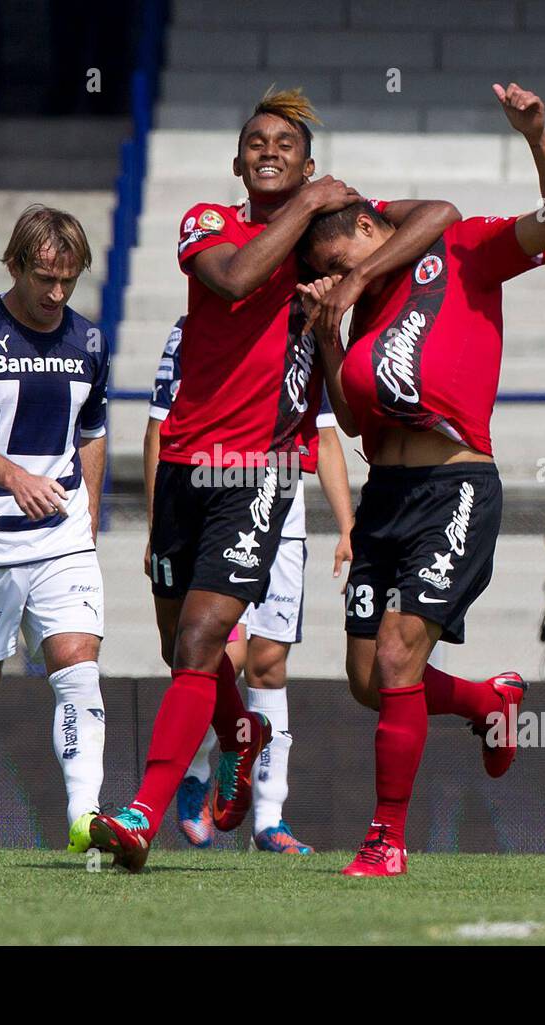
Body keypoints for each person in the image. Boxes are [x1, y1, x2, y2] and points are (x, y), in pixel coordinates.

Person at [87, 87, 458, 873]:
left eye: (286, 145)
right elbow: (230, 279)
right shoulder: (208, 223)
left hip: (258, 467)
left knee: (199, 639)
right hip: (188, 459)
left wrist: (355, 274)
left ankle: (141, 813)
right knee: (173, 643)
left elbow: (441, 214)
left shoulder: (322, 246)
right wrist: (308, 208)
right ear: (236, 161)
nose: (268, 151)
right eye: (256, 141)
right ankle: (235, 734)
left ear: (309, 165)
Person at [299, 82, 545, 878]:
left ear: (366, 226)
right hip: (386, 498)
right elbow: (355, 427)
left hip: (454, 489)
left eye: (334, 261)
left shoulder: (458, 254)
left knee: (395, 658)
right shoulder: (358, 313)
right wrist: (327, 336)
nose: (331, 276)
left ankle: (386, 840)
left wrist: (538, 139)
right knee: (368, 679)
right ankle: (488, 700)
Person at [0, 205, 110, 855]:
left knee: (77, 663)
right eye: (44, 278)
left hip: (62, 538)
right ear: (14, 264)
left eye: (69, 280)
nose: (56, 294)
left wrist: (87, 510)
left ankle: (86, 815)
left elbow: (91, 431)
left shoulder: (89, 341)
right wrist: (15, 478)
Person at [143, 316, 356, 854]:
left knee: (269, 662)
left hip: (281, 508)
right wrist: (157, 525)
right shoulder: (195, 329)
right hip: (218, 502)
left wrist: (347, 525)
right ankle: (194, 773)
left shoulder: (304, 334)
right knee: (216, 653)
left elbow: (326, 435)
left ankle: (269, 817)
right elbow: (159, 427)